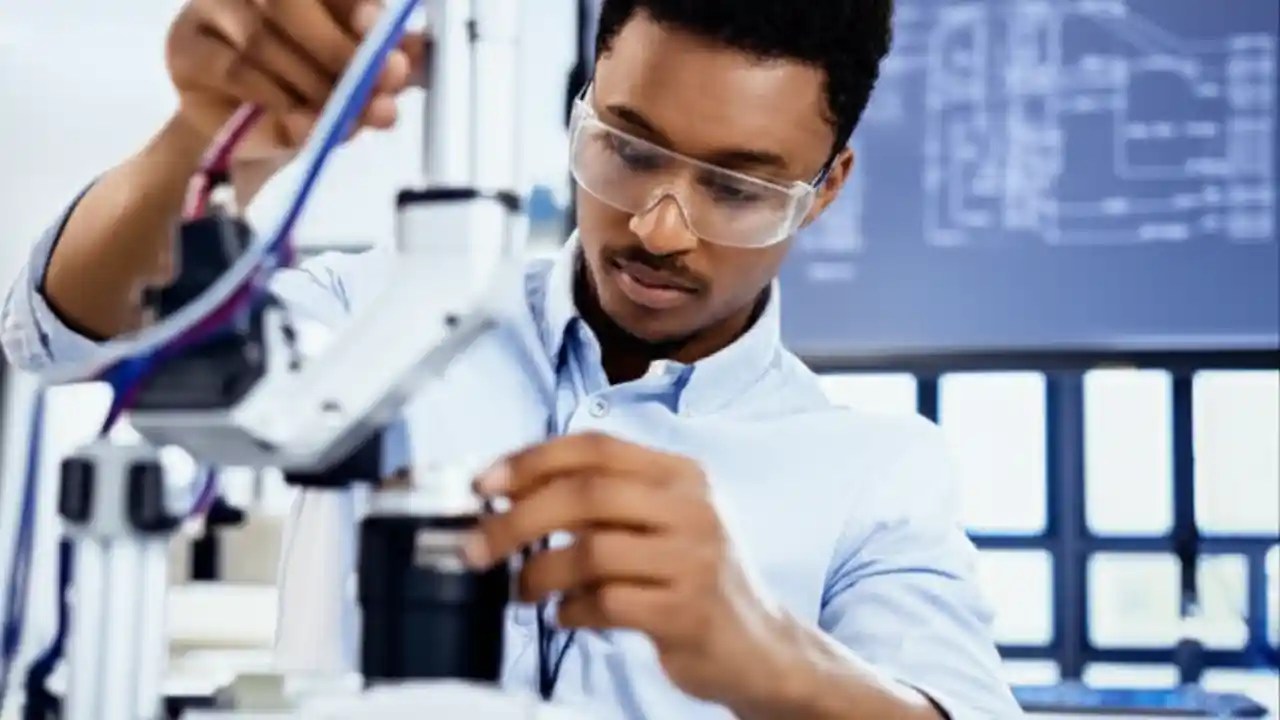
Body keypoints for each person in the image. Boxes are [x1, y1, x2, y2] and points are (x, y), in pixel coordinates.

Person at [1, 0, 1023, 718]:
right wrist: (203, 139)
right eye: (625, 148)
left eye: (738, 190)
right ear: (580, 105)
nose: (660, 229)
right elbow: (66, 339)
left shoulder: (878, 474)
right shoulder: (390, 310)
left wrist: (762, 655)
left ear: (826, 186)